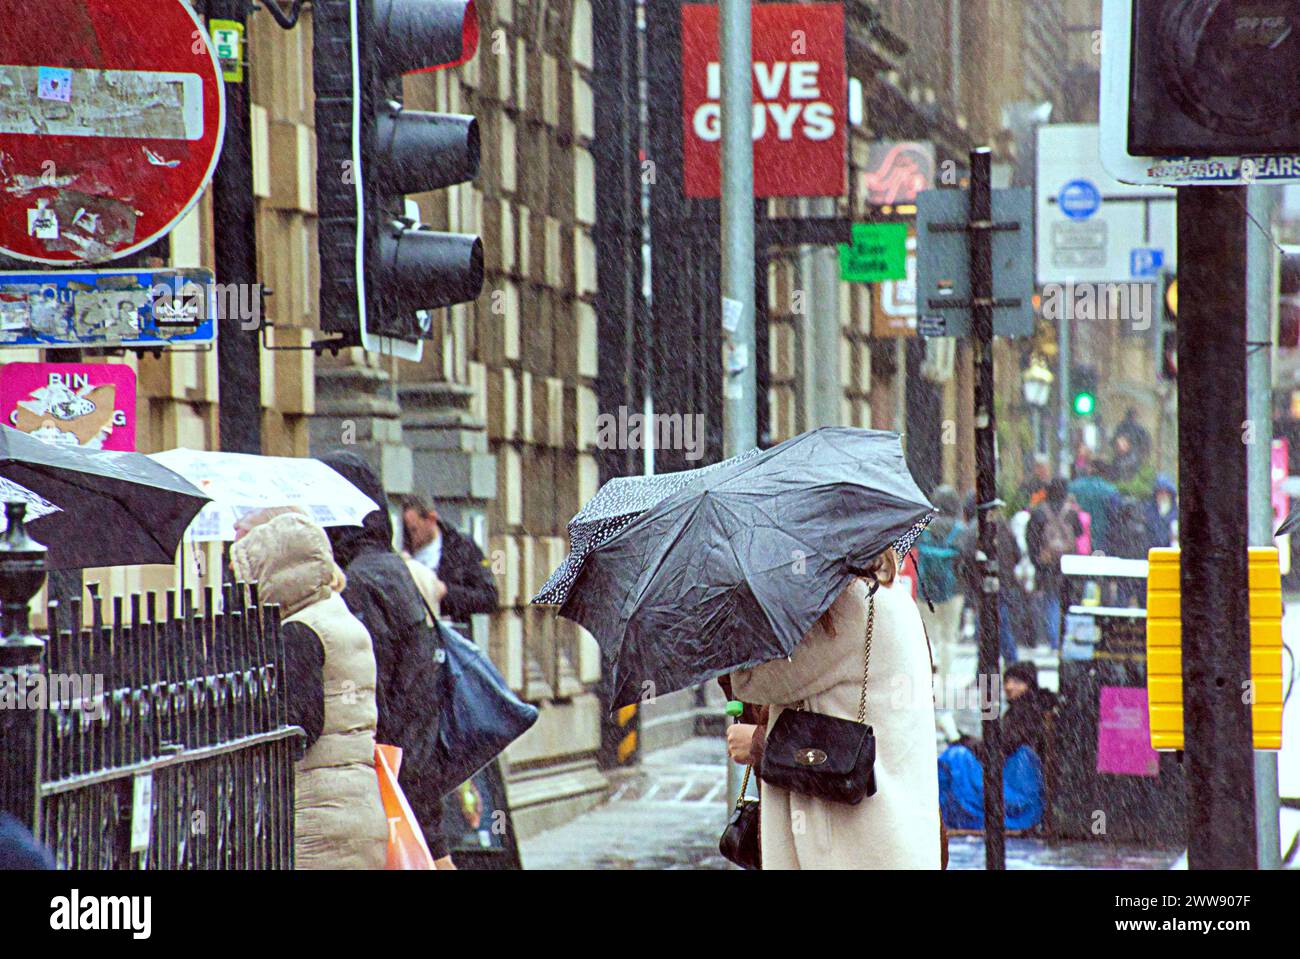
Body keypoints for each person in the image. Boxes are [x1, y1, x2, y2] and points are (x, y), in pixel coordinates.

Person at [728, 548, 941, 869]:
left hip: (849, 842)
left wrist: (761, 741)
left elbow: (752, 681)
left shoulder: (850, 606)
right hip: (888, 836)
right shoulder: (891, 599)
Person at [318, 450, 455, 870]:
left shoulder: (360, 583)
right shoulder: (392, 568)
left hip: (391, 773)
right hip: (417, 764)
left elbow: (367, 691)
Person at [230, 510, 388, 869]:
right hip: (356, 806)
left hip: (318, 819)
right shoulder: (339, 616)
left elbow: (300, 727)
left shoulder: (300, 631)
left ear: (278, 575)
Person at [938, 661, 1054, 832]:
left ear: (1028, 685)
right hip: (1006, 773)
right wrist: (965, 739)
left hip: (1015, 785)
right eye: (1007, 681)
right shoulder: (1019, 710)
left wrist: (962, 741)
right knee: (955, 757)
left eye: (1016, 682)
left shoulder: (1028, 712)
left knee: (955, 759)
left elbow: (1001, 747)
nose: (1008, 687)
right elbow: (997, 744)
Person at [915, 485, 965, 741]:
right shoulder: (960, 530)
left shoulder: (924, 527)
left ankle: (931, 677)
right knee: (949, 636)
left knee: (930, 635)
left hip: (926, 591)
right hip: (953, 589)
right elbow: (966, 560)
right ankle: (945, 676)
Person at [402, 494, 499, 623]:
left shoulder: (461, 546)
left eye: (414, 530)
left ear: (431, 519)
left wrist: (447, 592)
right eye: (408, 531)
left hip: (449, 631)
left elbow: (489, 598)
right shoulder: (400, 551)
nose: (412, 538)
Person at [957, 496, 1026, 664]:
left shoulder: (973, 529)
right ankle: (1006, 666)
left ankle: (1005, 666)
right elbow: (1017, 554)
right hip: (1002, 582)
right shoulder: (1002, 525)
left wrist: (971, 581)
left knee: (990, 628)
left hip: (983, 585)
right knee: (999, 624)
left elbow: (964, 559)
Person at [1025, 479, 1083, 650]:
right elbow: (1080, 536)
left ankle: (1054, 640)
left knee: (1051, 600)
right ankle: (1065, 637)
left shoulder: (1039, 512)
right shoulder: (1071, 513)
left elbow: (1031, 539)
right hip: (1068, 564)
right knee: (1067, 601)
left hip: (1047, 564)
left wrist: (1037, 560)